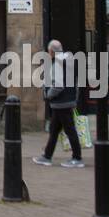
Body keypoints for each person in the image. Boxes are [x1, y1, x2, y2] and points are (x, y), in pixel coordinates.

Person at [33, 40, 85, 168]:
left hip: (61, 103)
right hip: (66, 102)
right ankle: (47, 156)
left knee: (69, 130)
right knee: (54, 130)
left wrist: (47, 95)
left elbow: (58, 86)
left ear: (51, 51)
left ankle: (77, 158)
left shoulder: (58, 64)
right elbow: (76, 83)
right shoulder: (70, 61)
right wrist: (75, 99)